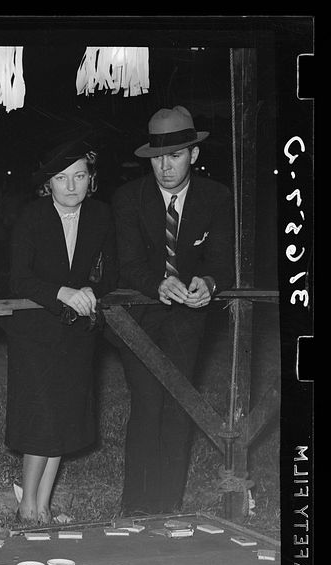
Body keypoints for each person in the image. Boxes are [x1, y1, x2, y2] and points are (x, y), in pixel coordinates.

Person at [112, 106, 234, 516]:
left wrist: (210, 284)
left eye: (176, 156)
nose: (165, 167)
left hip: (187, 318)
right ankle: (134, 509)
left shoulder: (217, 198)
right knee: (146, 403)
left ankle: (168, 508)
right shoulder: (128, 198)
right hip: (139, 318)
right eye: (158, 158)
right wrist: (156, 283)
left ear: (193, 156)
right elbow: (127, 262)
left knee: (178, 406)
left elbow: (220, 259)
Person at [5, 137, 118, 523]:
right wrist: (62, 292)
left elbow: (111, 272)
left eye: (80, 176)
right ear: (48, 183)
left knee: (64, 418)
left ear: (91, 180)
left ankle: (43, 504)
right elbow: (19, 278)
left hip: (77, 334)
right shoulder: (31, 216)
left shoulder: (101, 215)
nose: (71, 186)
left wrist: (91, 289)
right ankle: (26, 507)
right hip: (36, 331)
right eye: (62, 178)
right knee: (42, 419)